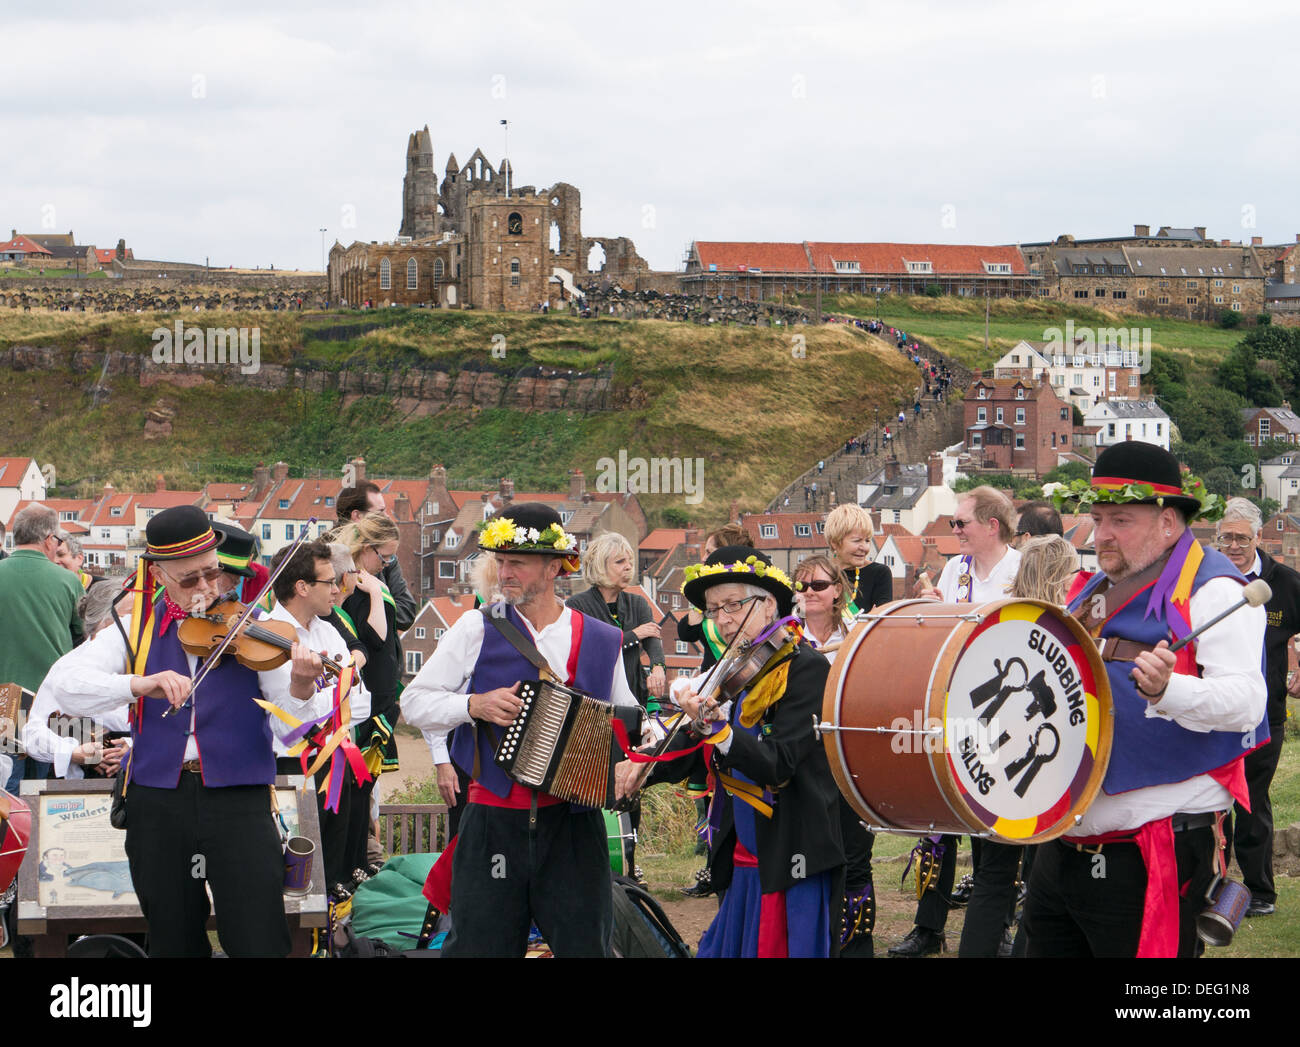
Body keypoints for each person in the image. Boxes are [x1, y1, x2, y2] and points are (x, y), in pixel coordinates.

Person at [1023, 442, 1266, 957]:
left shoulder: (1217, 591)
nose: (1103, 534)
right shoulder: (1089, 593)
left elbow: (1248, 703)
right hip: (1060, 848)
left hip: (1151, 854)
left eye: (1122, 520)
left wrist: (1167, 688)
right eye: (1098, 518)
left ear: (1169, 524)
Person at [38, 505, 297, 956]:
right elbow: (65, 685)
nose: (206, 588)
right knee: (172, 934)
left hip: (239, 798)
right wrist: (139, 684)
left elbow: (293, 720)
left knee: (257, 933)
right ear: (157, 575)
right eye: (189, 579)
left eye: (211, 573)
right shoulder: (134, 629)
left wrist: (303, 679)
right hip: (157, 800)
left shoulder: (252, 625)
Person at [400, 503, 639, 956]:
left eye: (517, 563)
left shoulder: (601, 638)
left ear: (553, 567)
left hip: (574, 826)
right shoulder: (475, 627)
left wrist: (635, 760)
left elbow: (627, 719)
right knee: (479, 949)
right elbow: (412, 703)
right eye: (501, 561)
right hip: (493, 820)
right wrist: (473, 704)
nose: (504, 572)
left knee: (586, 948)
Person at [619, 547, 844, 957]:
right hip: (744, 850)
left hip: (790, 853)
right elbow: (694, 745)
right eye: (713, 609)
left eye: (734, 605)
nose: (722, 619)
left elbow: (778, 764)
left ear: (769, 605)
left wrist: (715, 728)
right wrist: (642, 766)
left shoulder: (805, 668)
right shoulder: (736, 670)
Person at [893, 486, 1023, 957]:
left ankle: (996, 926)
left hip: (1006, 714)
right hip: (956, 709)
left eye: (960, 523)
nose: (954, 531)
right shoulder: (955, 569)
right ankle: (929, 927)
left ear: (992, 525)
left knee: (994, 824)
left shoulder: (1020, 571)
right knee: (942, 818)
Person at [263, 540, 372, 892]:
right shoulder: (267, 635)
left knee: (335, 872)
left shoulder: (329, 632)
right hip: (294, 770)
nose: (339, 589)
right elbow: (289, 726)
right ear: (302, 587)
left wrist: (320, 701)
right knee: (298, 875)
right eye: (330, 581)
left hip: (337, 764)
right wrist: (322, 697)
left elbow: (363, 701)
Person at [1214, 497, 1300, 917]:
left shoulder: (1283, 581)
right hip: (1213, 710)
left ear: (1258, 537)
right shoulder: (1207, 580)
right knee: (1212, 802)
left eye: (1240, 538)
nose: (1232, 545)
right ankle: (1213, 887)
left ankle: (1260, 892)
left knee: (1253, 802)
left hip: (1266, 712)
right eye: (1225, 537)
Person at [566, 531, 665, 883]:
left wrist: (657, 666)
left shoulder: (636, 603)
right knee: (592, 783)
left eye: (629, 562)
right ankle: (591, 862)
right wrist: (633, 636)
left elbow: (654, 635)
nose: (628, 568)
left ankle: (629, 860)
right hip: (593, 707)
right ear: (599, 566)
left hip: (631, 703)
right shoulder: (578, 606)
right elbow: (593, 648)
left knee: (630, 783)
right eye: (620, 562)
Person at [331, 513, 402, 878]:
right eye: (384, 557)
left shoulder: (368, 582)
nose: (386, 565)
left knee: (362, 793)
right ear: (365, 547)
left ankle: (357, 864)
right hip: (366, 704)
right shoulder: (357, 589)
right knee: (355, 793)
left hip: (380, 698)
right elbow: (373, 640)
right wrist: (375, 593)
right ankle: (350, 869)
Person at [0, 504, 84, 790]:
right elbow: (84, 639)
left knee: (7, 789)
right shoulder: (69, 581)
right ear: (50, 540)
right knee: (53, 785)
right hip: (56, 701)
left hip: (3, 700)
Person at [825, 503, 891, 624]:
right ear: (835, 542)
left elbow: (883, 625)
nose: (865, 548)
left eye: (867, 540)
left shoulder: (879, 574)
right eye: (857, 541)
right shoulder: (821, 578)